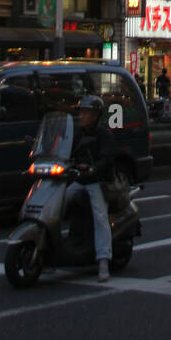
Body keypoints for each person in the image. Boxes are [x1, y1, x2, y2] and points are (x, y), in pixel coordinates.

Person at [71, 96, 116, 281]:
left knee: (100, 216)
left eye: (86, 112)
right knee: (56, 202)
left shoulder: (104, 135)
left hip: (97, 181)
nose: (81, 116)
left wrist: (93, 168)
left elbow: (106, 160)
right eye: (81, 112)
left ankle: (103, 259)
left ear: (96, 115)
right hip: (79, 180)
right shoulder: (77, 134)